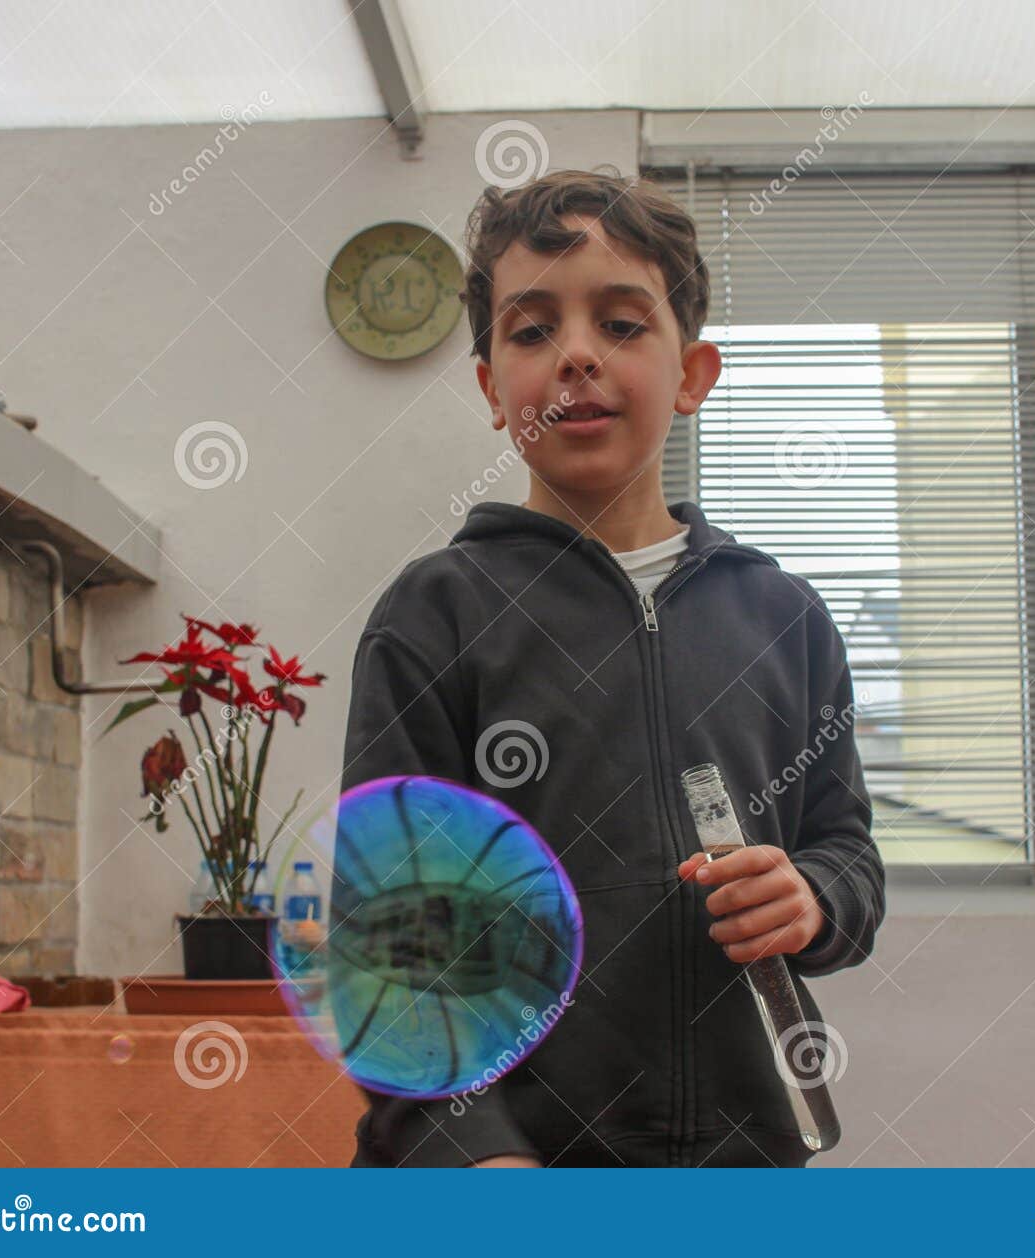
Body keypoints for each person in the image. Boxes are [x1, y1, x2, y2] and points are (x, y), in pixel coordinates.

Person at [340, 166, 885, 1167]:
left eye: (623, 324)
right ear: (492, 388)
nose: (577, 355)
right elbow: (386, 941)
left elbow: (847, 849)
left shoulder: (782, 618)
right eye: (532, 329)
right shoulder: (434, 616)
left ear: (692, 374)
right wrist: (477, 1151)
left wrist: (810, 897)